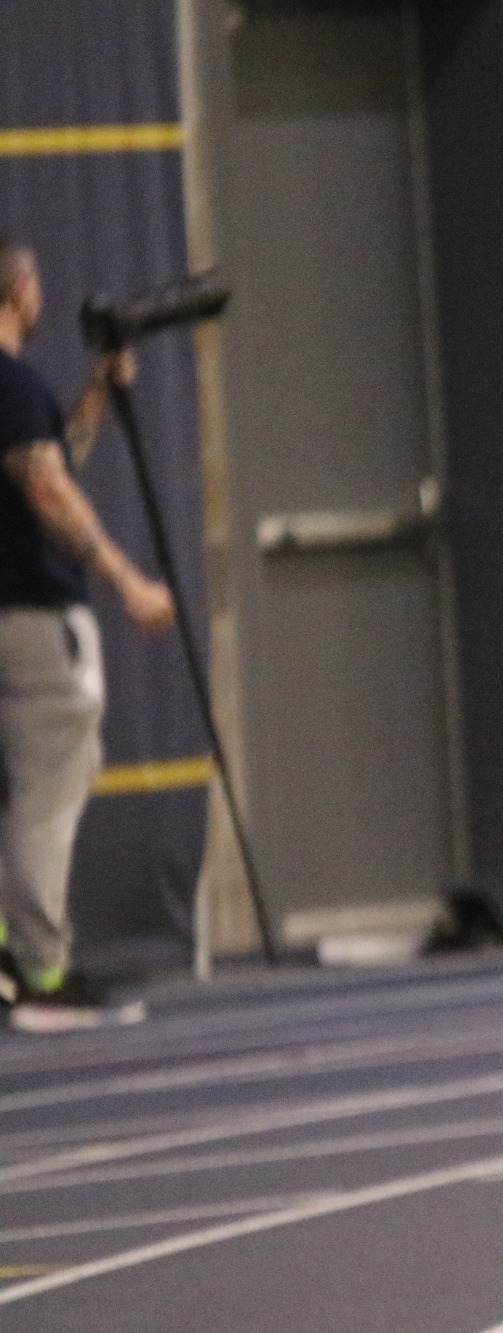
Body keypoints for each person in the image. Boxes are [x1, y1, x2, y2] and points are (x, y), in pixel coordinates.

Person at [0, 238, 174, 1033]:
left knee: (16, 789)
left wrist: (97, 394)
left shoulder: (22, 397)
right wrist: (125, 576)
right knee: (48, 790)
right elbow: (47, 487)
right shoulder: (12, 383)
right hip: (31, 614)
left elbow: (50, 461)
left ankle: (13, 956)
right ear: (21, 288)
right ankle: (41, 971)